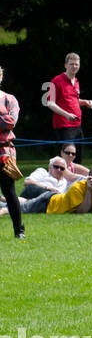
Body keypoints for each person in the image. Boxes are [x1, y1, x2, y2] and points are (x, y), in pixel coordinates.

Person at [3, 167, 92, 218]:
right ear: (89, 178)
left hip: (51, 201)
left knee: (24, 203)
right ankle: (4, 209)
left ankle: (4, 203)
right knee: (19, 209)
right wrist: (89, 190)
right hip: (48, 203)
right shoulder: (78, 188)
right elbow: (82, 212)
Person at [44, 52, 92, 160]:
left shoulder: (76, 81)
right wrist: (66, 115)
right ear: (65, 65)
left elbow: (72, 100)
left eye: (76, 64)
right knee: (66, 157)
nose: (74, 66)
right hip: (64, 125)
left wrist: (84, 102)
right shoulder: (56, 81)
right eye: (71, 64)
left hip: (77, 125)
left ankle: (77, 177)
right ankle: (61, 176)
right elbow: (50, 103)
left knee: (78, 156)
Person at [0, 64, 23, 238]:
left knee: (9, 191)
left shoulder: (9, 99)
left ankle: (19, 231)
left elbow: (10, 122)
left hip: (4, 152)